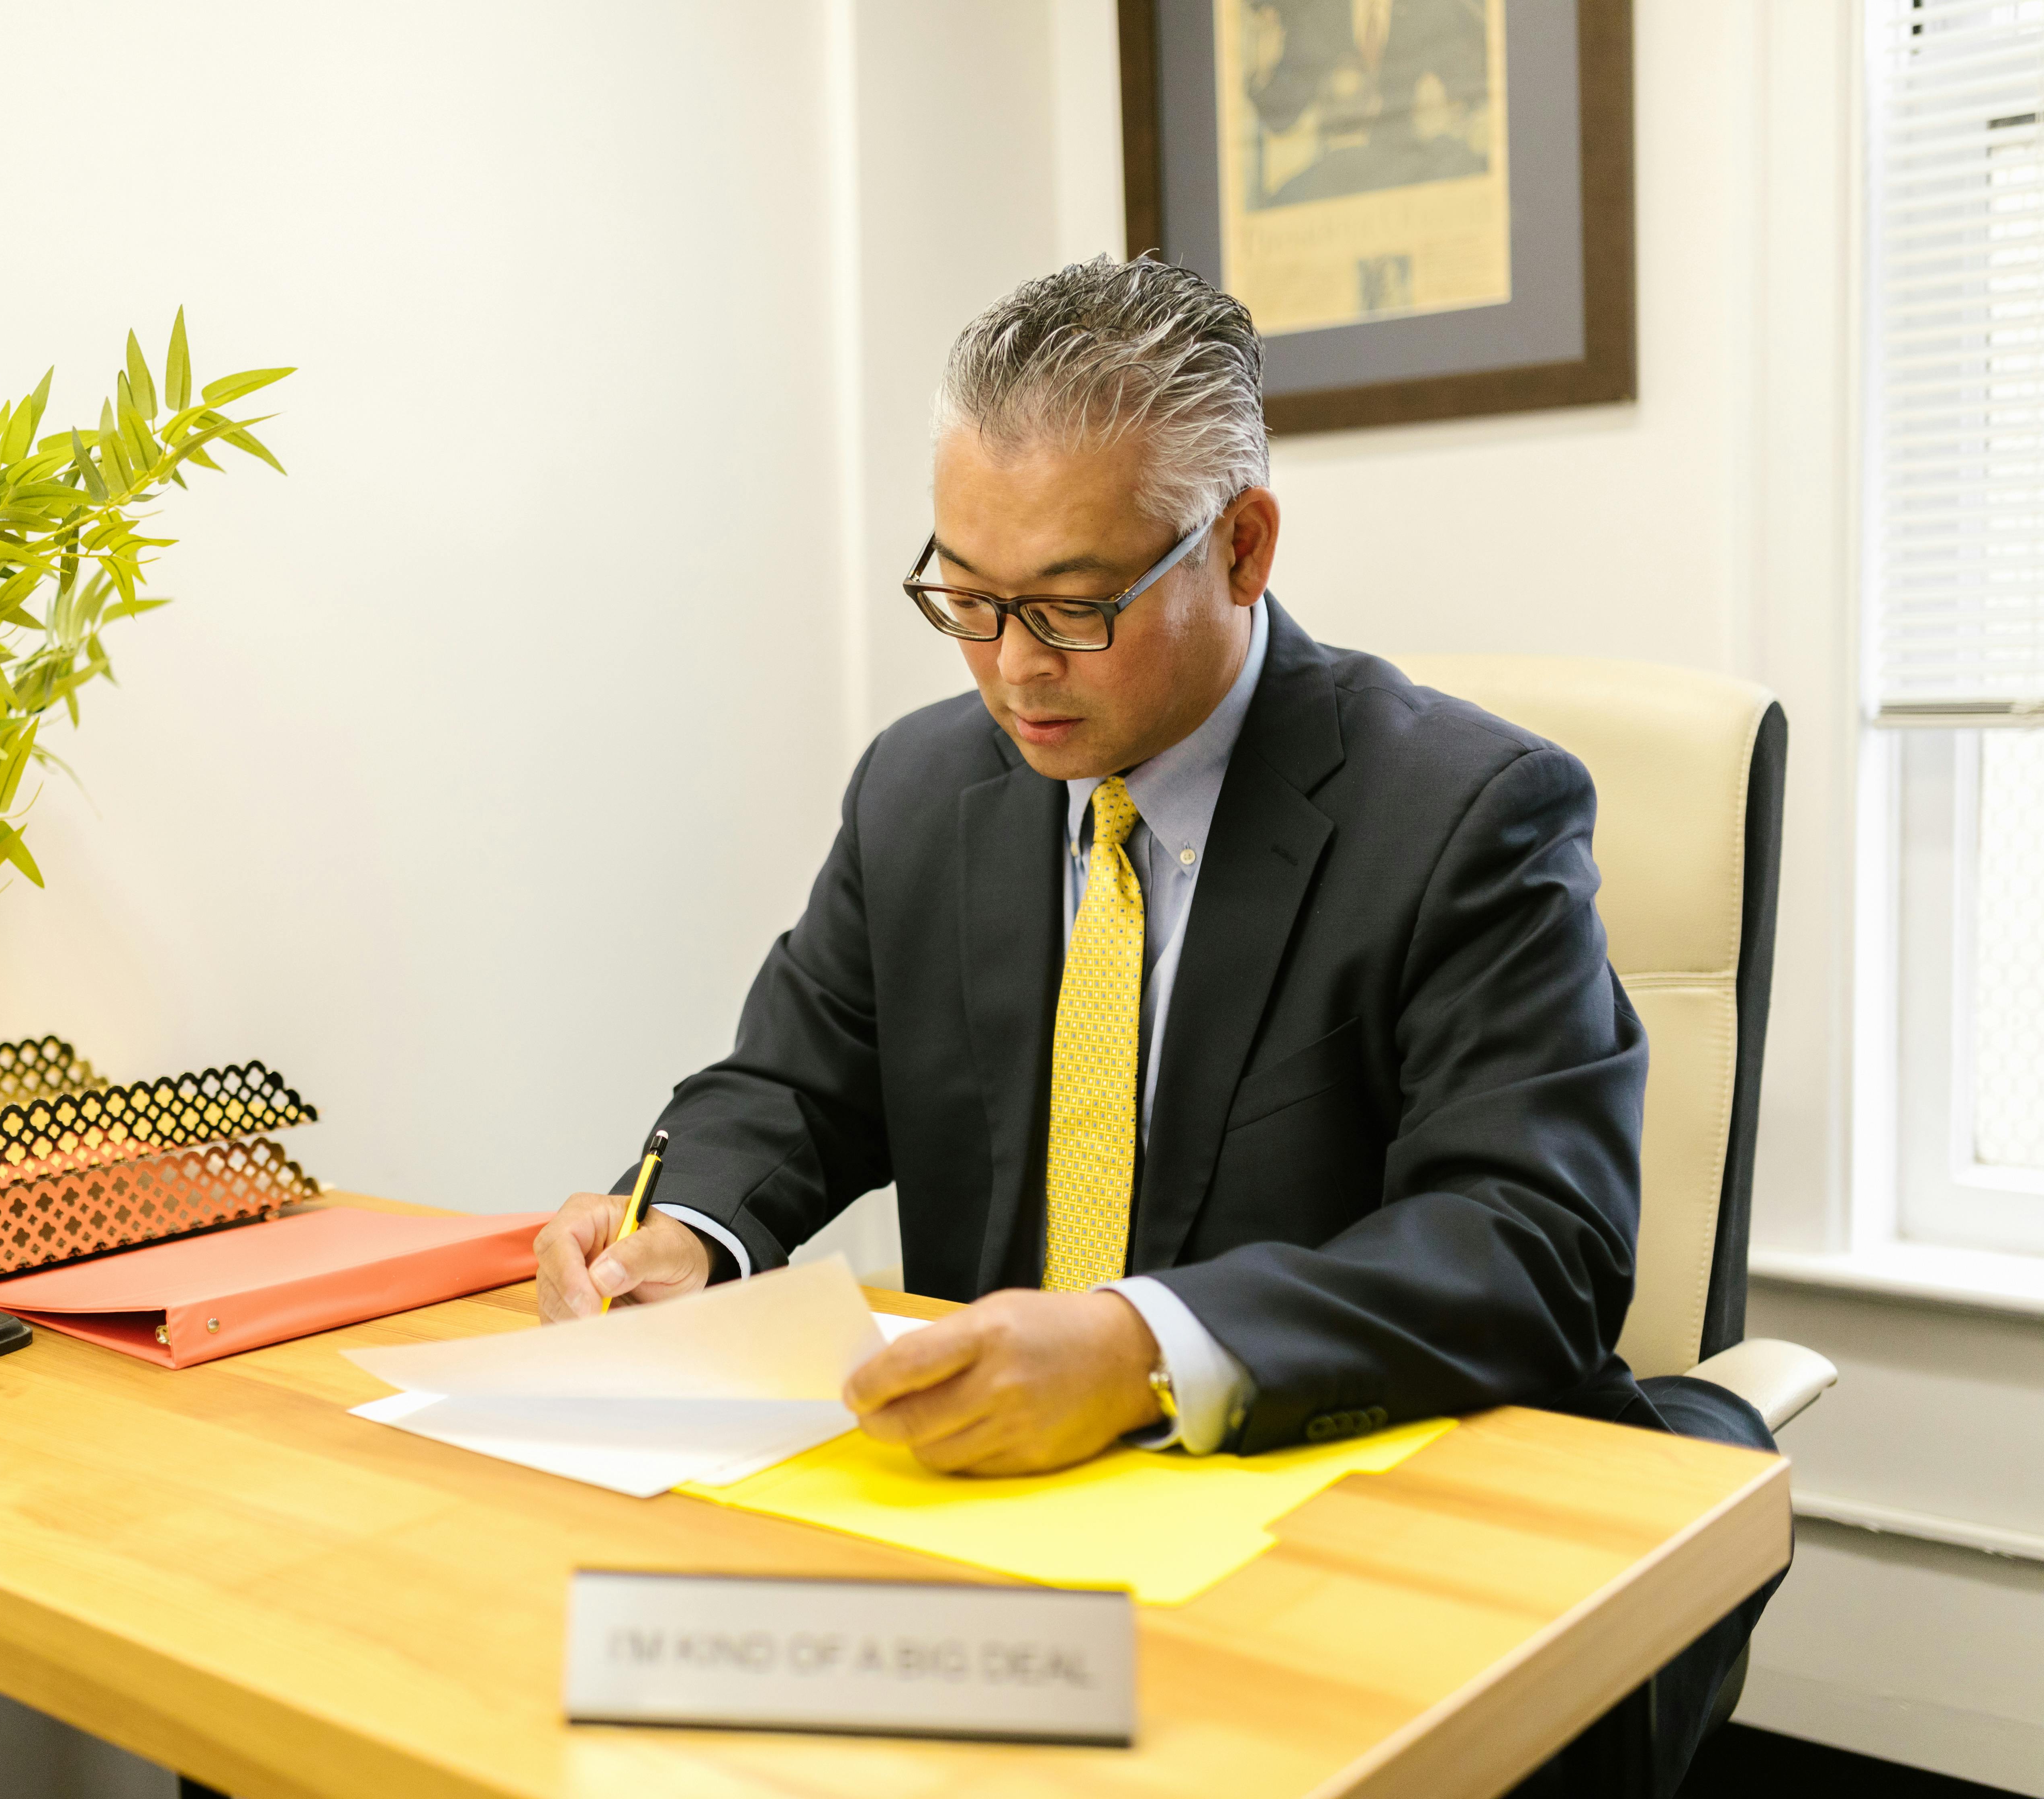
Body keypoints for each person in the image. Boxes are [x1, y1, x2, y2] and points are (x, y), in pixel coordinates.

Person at [529, 254, 1779, 1792]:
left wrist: (1139, 1350)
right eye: (965, 600)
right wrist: (692, 1229)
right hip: (1009, 1554)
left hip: (1345, 1535)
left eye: (1070, 607)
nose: (1010, 672)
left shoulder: (1466, 812)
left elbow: (1530, 1244)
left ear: (1242, 546)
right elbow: (790, 1080)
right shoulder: (923, 793)